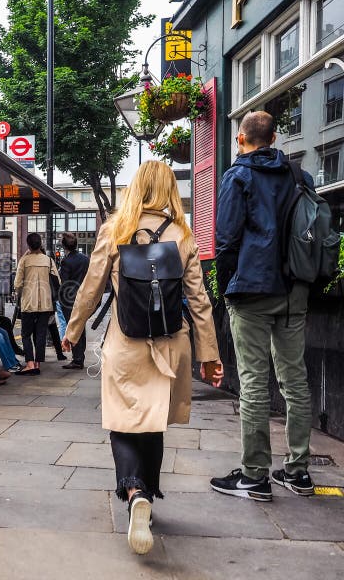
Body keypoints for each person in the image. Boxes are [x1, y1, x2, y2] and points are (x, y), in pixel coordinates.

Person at [61, 161, 222, 555]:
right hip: (170, 345)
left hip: (125, 345)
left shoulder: (114, 230)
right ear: (169, 189)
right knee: (152, 423)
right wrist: (209, 355)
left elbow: (90, 289)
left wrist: (73, 331)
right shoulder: (183, 235)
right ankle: (148, 492)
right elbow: (199, 302)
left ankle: (135, 494)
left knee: (122, 420)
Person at [210, 111, 317, 501]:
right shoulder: (298, 176)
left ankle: (254, 475)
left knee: (254, 381)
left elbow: (225, 239)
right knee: (295, 379)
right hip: (293, 291)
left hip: (252, 290)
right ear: (273, 138)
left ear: (241, 139)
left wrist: (225, 288)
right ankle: (299, 470)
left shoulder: (237, 177)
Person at [14, 233, 60, 375]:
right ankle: (38, 364)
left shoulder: (24, 261)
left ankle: (29, 364)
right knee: (40, 334)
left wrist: (19, 293)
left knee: (26, 334)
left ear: (28, 245)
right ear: (41, 244)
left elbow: (17, 284)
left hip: (28, 303)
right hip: (46, 304)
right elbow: (58, 282)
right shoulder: (49, 261)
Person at [58, 232, 90, 369]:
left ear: (64, 246)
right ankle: (80, 357)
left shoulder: (66, 261)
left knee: (72, 327)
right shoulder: (85, 259)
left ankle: (77, 359)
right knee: (80, 327)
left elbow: (64, 282)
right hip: (83, 297)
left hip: (69, 299)